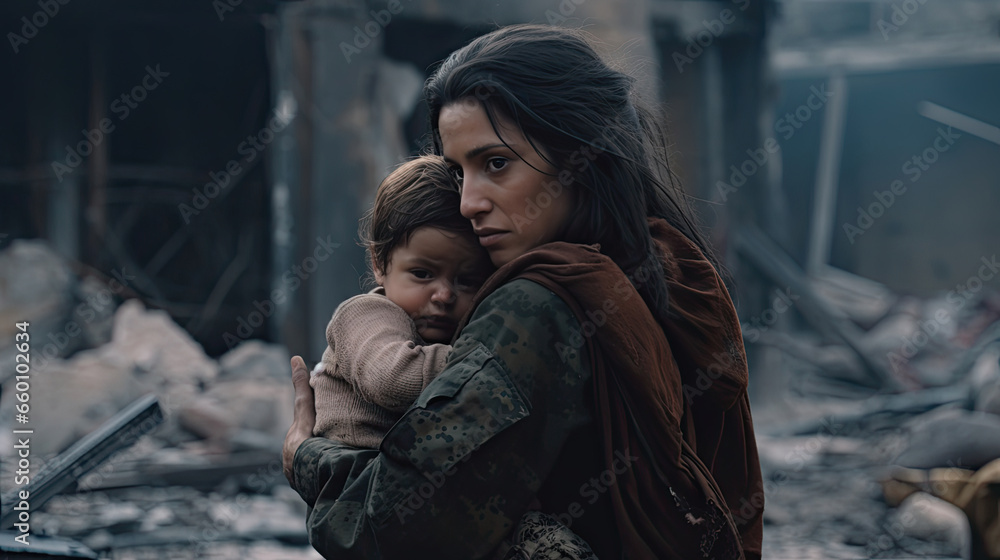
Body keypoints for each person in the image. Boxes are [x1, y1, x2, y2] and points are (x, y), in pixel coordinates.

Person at [284, 24, 763, 560]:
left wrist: (307, 455)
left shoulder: (537, 307)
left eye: (496, 164)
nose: (468, 203)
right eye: (458, 172)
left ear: (578, 154)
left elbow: (393, 530)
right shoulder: (664, 270)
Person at [309, 155, 492, 448]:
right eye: (422, 274)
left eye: (467, 281)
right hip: (355, 474)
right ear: (379, 264)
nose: (444, 296)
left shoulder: (459, 328)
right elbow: (392, 380)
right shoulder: (364, 315)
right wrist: (497, 362)